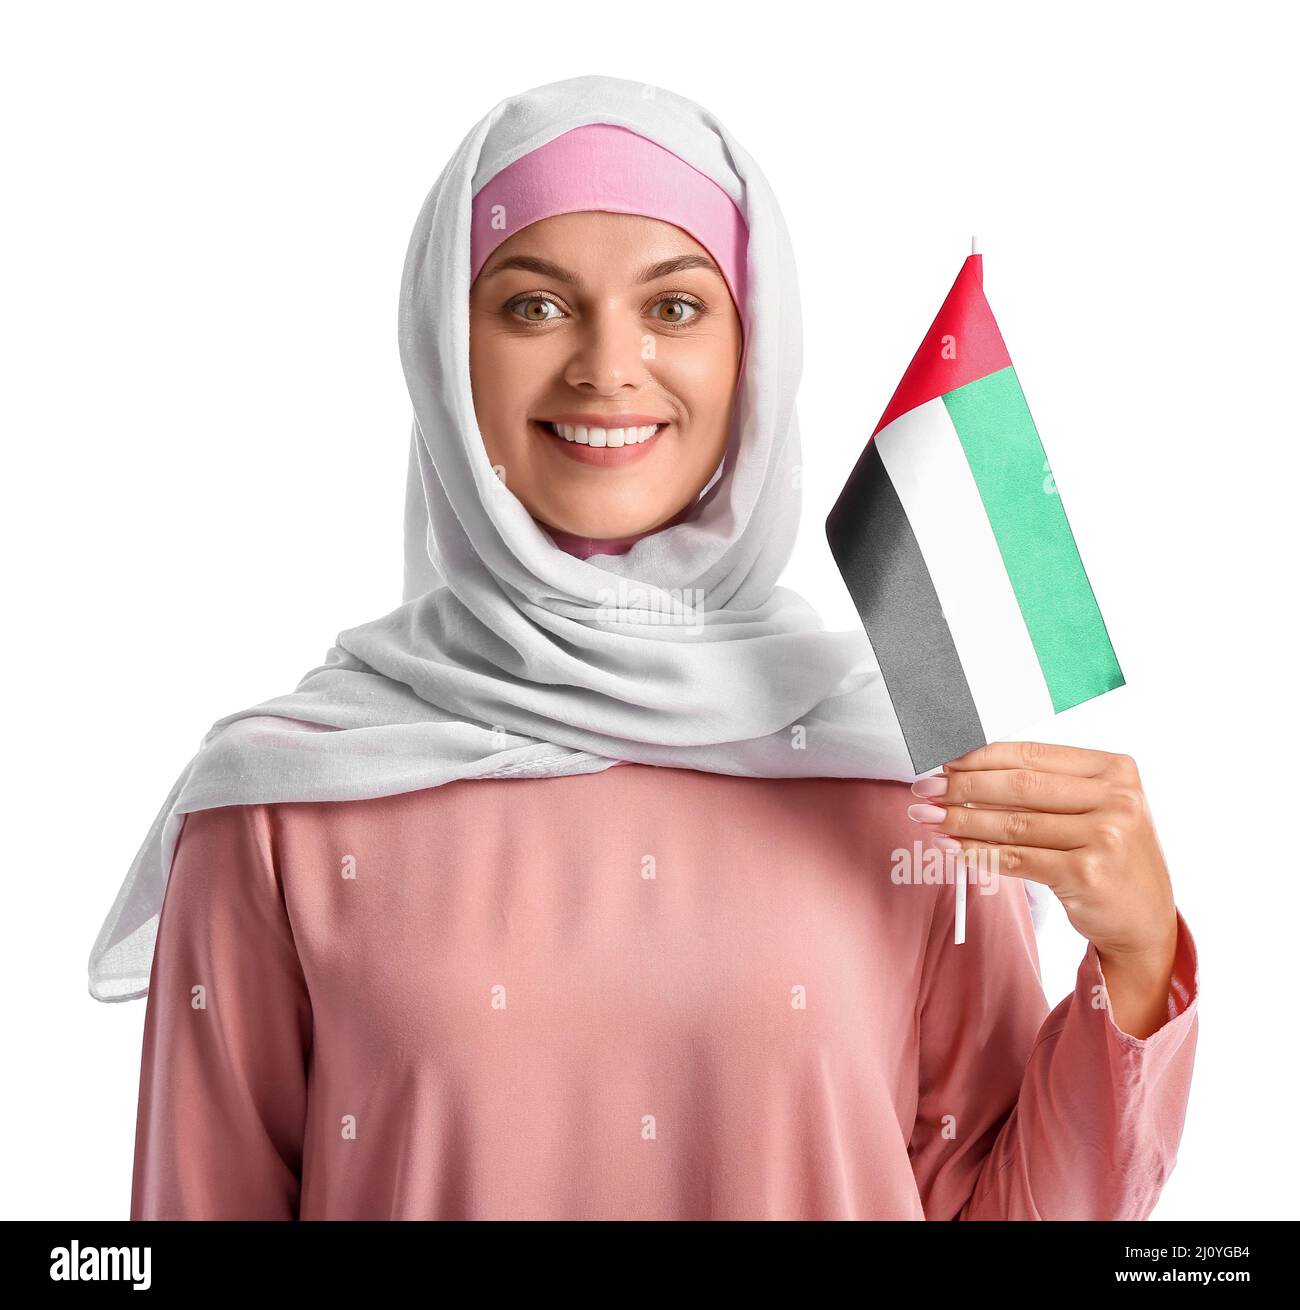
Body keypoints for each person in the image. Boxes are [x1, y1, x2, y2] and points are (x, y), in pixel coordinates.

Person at [99, 74, 1198, 1221]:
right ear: (442, 348)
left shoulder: (903, 777)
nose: (605, 367)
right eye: (533, 306)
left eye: (673, 307)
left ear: (751, 356)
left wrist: (1133, 959)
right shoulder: (278, 805)